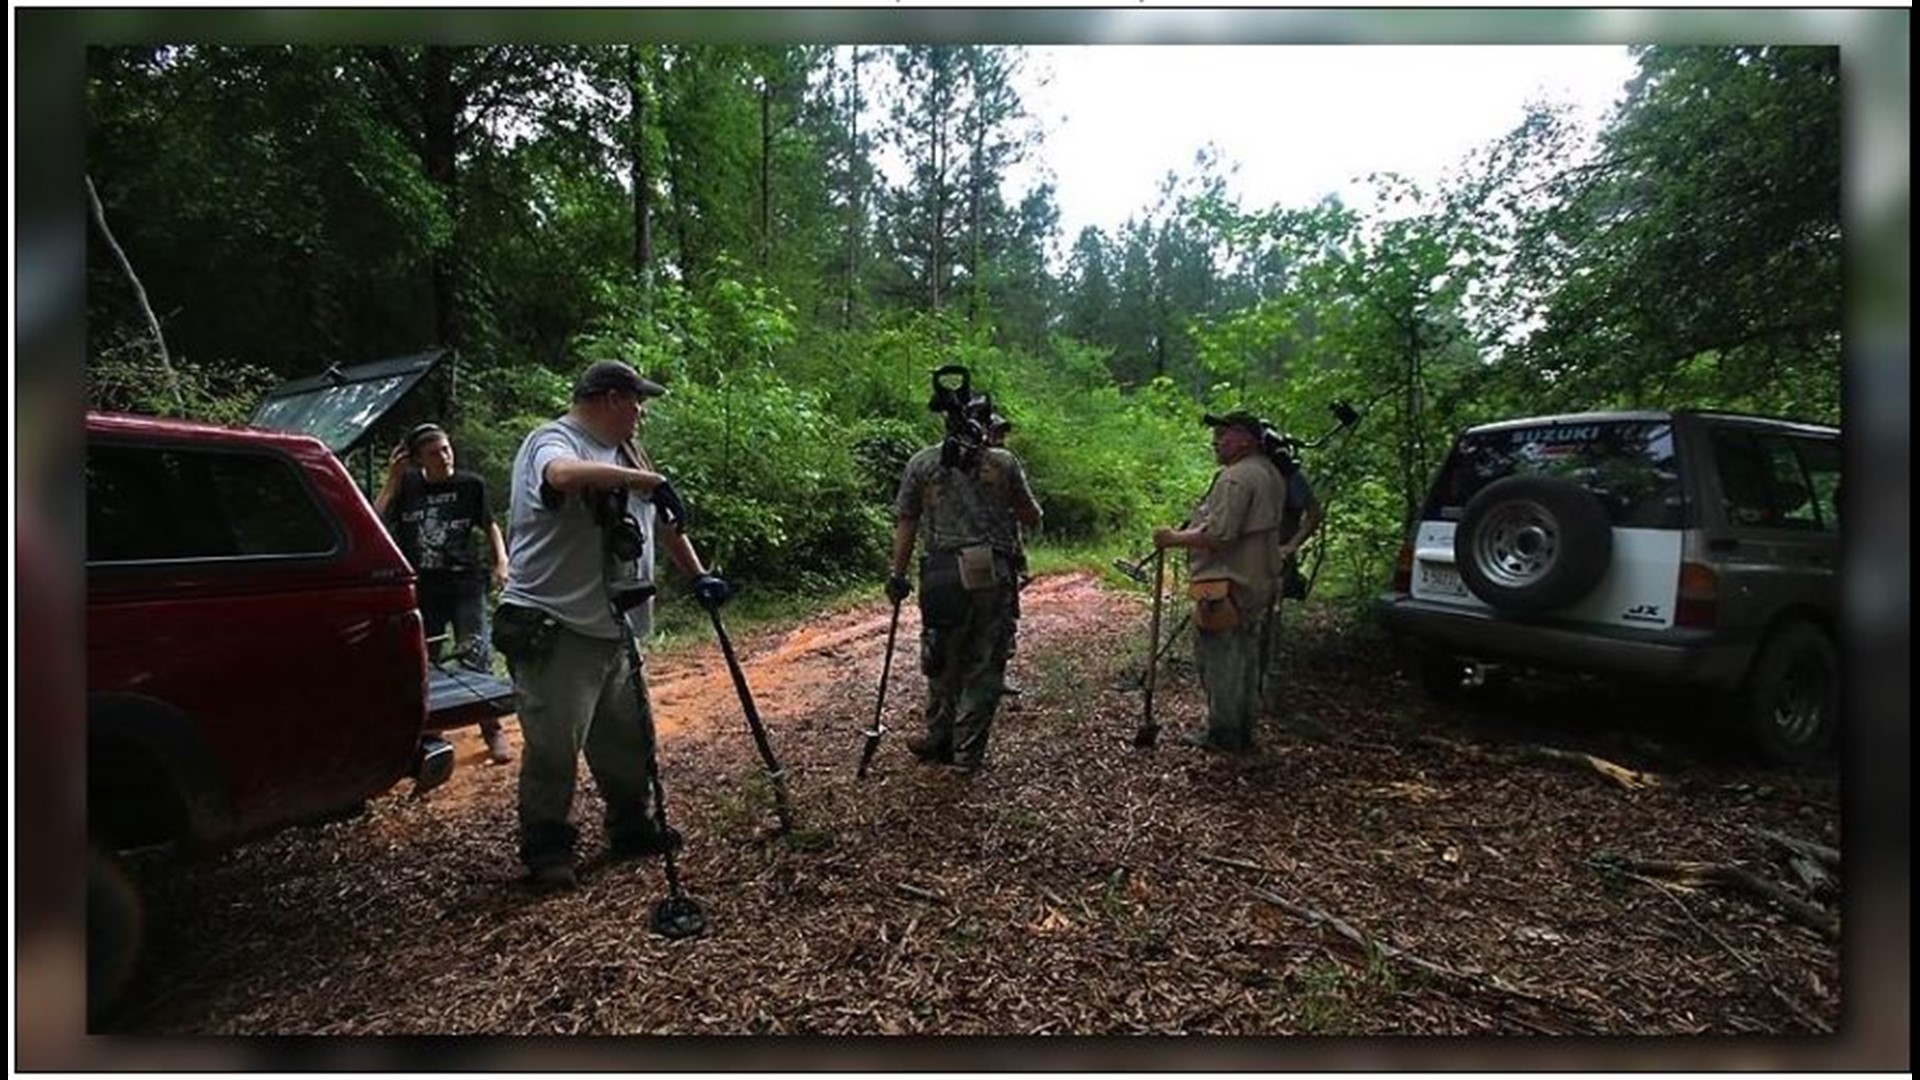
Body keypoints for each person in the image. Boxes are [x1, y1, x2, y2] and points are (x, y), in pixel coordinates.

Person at [493, 359, 731, 891]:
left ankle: (632, 827)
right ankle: (547, 849)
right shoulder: (553, 440)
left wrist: (698, 577)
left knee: (627, 739)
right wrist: (643, 478)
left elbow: (664, 525)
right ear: (608, 398)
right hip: (554, 624)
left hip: (613, 625)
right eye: (636, 400)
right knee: (554, 747)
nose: (641, 412)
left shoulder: (624, 451)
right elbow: (561, 478)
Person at [887, 400, 1043, 773]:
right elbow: (1031, 515)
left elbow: (906, 522)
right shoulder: (1003, 463)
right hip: (990, 568)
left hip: (940, 570)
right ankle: (966, 754)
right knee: (985, 662)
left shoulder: (922, 463)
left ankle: (938, 738)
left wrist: (897, 574)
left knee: (941, 655)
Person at [374, 422, 515, 764]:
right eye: (435, 452)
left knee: (475, 651)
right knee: (427, 660)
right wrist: (393, 479)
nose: (445, 457)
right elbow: (375, 520)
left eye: (447, 449)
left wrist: (502, 561)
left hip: (466, 581)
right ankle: (433, 734)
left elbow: (490, 524)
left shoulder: (470, 485)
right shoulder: (405, 486)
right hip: (423, 585)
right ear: (419, 459)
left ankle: (491, 728)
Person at [1152, 409, 1289, 752]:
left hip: (1228, 586)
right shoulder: (1270, 472)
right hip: (1258, 583)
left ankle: (1224, 734)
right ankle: (1242, 732)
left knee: (1222, 661)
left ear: (1246, 438)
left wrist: (1173, 538)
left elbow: (1222, 534)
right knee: (1245, 658)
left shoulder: (1236, 478)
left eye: (1224, 434)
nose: (1216, 440)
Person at [1259, 446, 1326, 726]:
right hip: (1249, 559)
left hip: (1276, 561)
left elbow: (1314, 513)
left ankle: (1266, 694)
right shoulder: (1249, 471)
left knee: (1268, 623)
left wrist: (1291, 545)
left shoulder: (1290, 475)